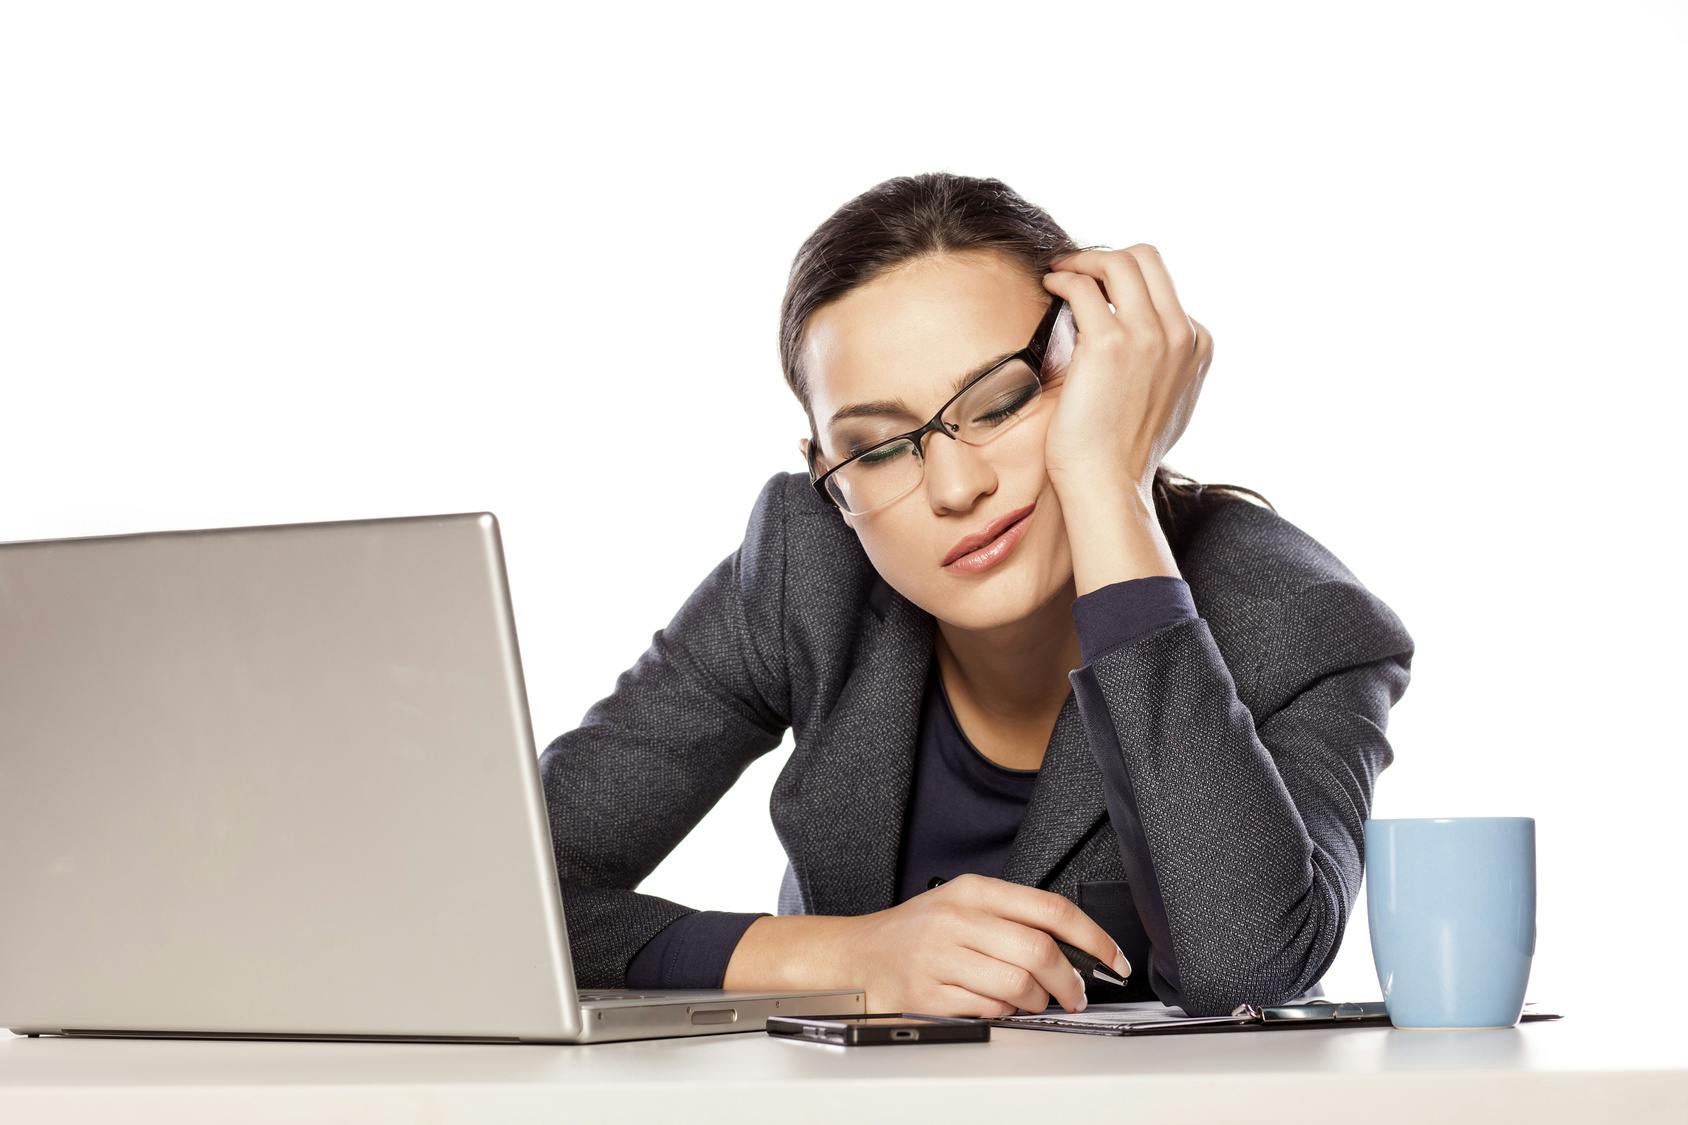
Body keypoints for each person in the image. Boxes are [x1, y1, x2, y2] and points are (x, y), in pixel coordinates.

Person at [538, 172, 1414, 1019]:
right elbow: (500, 890)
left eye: (999, 404)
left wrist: (1108, 484)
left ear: (1100, 366)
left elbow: (1250, 966)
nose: (956, 488)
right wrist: (843, 956)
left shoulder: (1296, 616)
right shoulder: (805, 570)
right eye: (877, 449)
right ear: (827, 478)